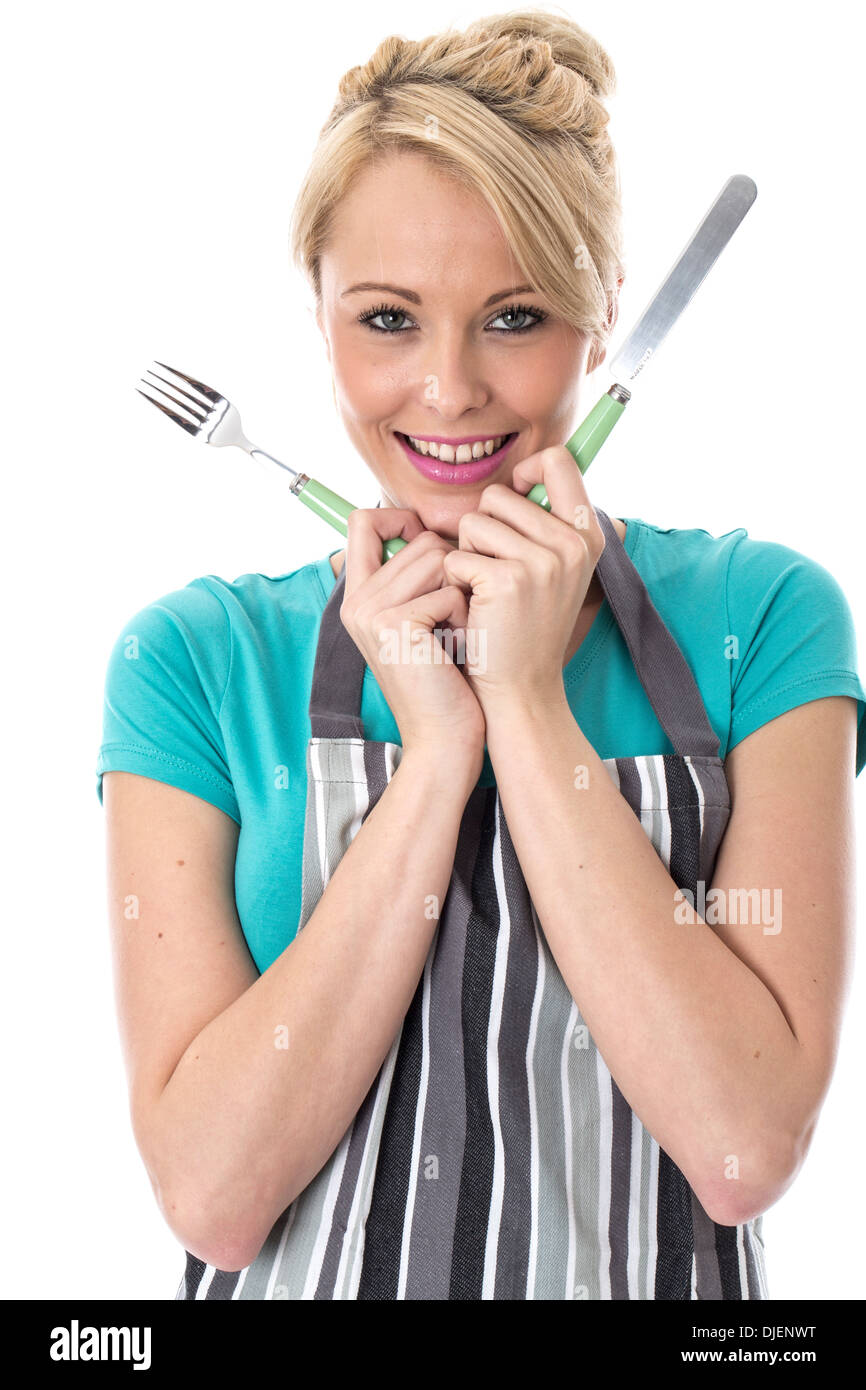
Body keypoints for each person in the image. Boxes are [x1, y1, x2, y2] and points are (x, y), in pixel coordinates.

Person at [97, 9, 866, 1301]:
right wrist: (436, 751)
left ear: (604, 316)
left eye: (514, 316)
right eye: (387, 318)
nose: (448, 392)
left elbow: (739, 1149)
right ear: (321, 316)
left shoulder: (764, 615)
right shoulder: (192, 656)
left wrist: (521, 699)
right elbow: (215, 1200)